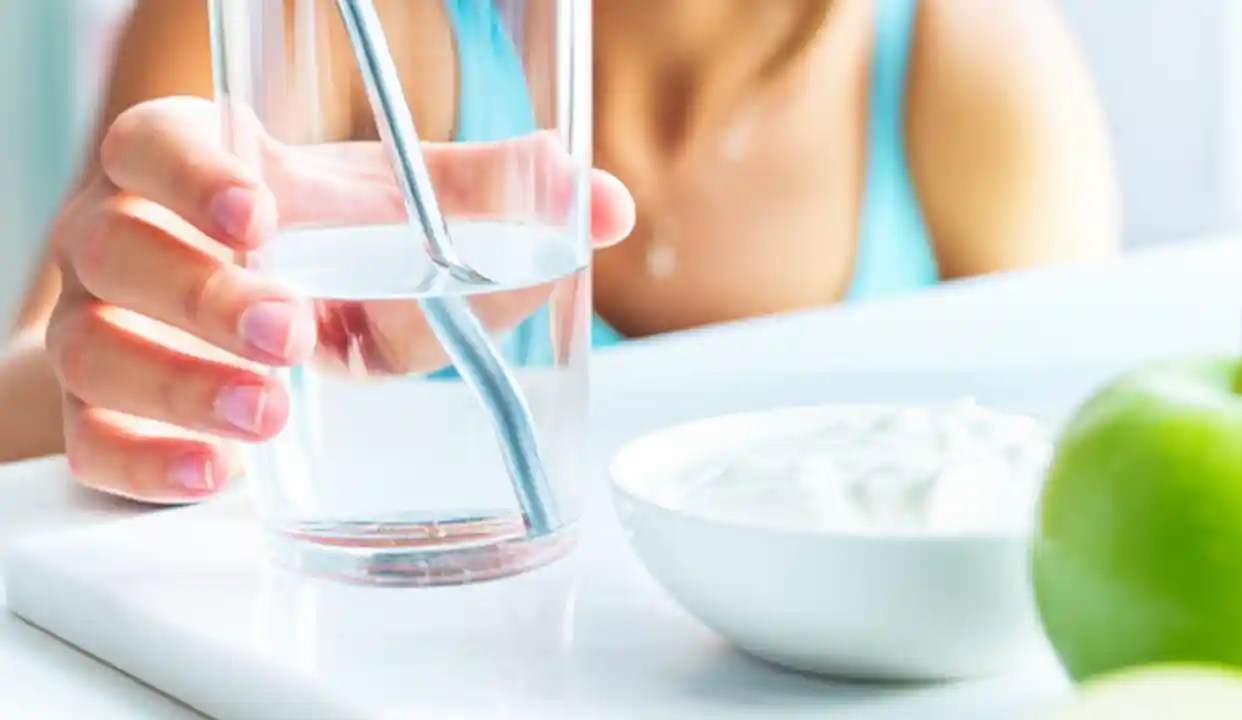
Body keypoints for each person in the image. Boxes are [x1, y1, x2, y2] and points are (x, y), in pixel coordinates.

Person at [0, 0, 1119, 503]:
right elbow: (29, 400)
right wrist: (154, 372)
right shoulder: (318, 21)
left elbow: (1073, 482)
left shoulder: (975, 65)